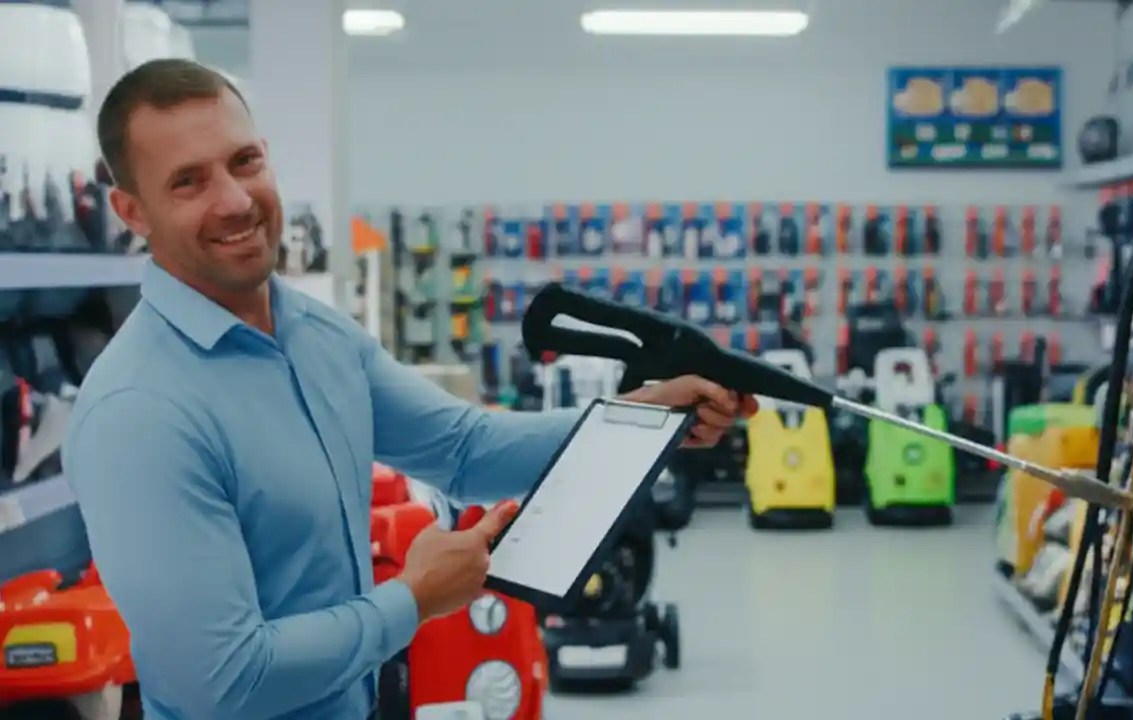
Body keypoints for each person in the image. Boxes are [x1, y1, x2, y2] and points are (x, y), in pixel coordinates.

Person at [63, 58, 757, 720]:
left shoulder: (316, 335)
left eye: (245, 162)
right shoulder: (138, 414)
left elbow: (465, 448)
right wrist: (413, 601)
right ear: (133, 211)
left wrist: (641, 423)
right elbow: (223, 682)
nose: (236, 200)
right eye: (189, 181)